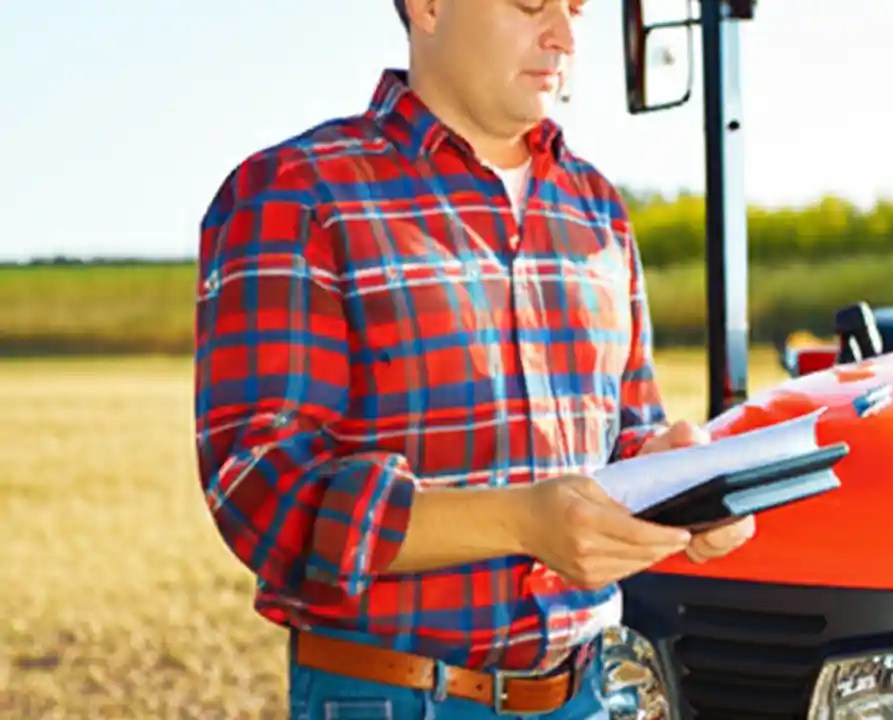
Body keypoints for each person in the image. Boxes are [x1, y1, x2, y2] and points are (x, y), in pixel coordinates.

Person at [193, 0, 756, 717]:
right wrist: (519, 522)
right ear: (429, 7)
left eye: (576, 9)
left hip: (591, 694)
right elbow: (264, 492)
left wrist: (683, 485)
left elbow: (621, 441)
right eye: (531, 4)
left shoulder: (596, 208)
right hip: (396, 698)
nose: (564, 36)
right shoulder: (295, 194)